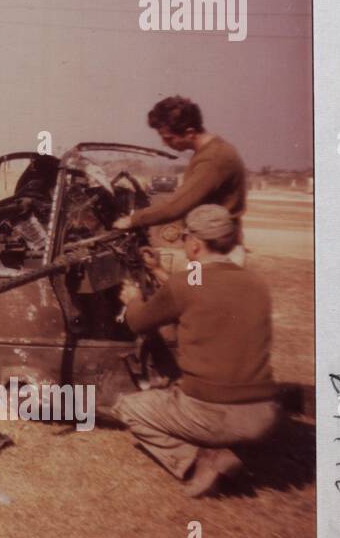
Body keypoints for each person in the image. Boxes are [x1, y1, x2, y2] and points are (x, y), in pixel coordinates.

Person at [113, 204, 280, 497]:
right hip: (264, 415)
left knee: (128, 408)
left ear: (195, 242)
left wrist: (133, 300)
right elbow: (204, 294)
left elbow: (139, 321)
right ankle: (228, 447)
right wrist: (158, 271)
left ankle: (201, 460)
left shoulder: (185, 284)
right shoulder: (256, 283)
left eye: (185, 237)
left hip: (215, 414)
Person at [113, 95, 248, 263]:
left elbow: (176, 206)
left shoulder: (213, 158)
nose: (164, 143)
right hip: (202, 249)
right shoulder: (210, 152)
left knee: (201, 287)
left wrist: (132, 220)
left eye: (168, 138)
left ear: (190, 132)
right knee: (193, 286)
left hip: (216, 255)